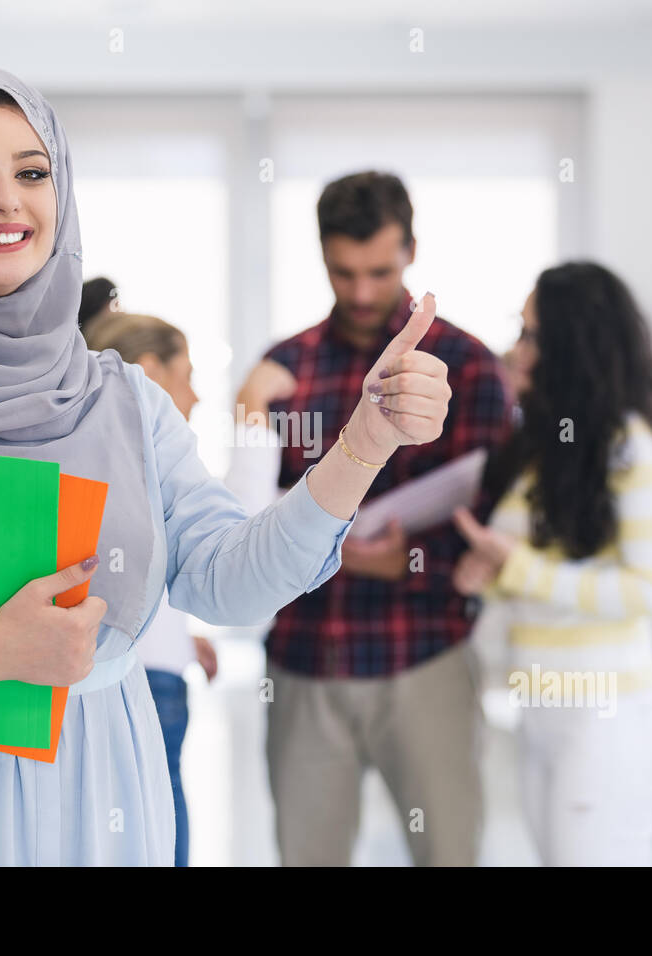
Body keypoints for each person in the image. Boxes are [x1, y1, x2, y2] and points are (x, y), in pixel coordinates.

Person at [0, 65, 453, 866]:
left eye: (31, 172)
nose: (6, 199)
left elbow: (230, 581)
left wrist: (362, 444)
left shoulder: (124, 401)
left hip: (100, 798)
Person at [256, 170, 511, 866]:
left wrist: (412, 560)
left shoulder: (468, 364)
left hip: (423, 656)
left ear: (411, 249)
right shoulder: (285, 368)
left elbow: (490, 519)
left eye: (379, 270)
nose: (362, 292)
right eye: (343, 272)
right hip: (307, 659)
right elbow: (248, 515)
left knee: (449, 853)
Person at [452, 261, 652, 866]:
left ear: (572, 344)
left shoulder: (632, 450)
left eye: (532, 335)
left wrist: (518, 568)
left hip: (608, 719)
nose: (517, 348)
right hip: (543, 713)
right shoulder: (539, 449)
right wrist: (492, 577)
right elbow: (541, 579)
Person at [82, 310, 218, 867]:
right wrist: (255, 418)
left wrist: (184, 636)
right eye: (187, 373)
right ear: (149, 373)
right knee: (160, 838)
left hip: (139, 673)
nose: (198, 395)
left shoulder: (90, 453)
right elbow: (227, 545)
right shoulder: (138, 458)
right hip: (148, 682)